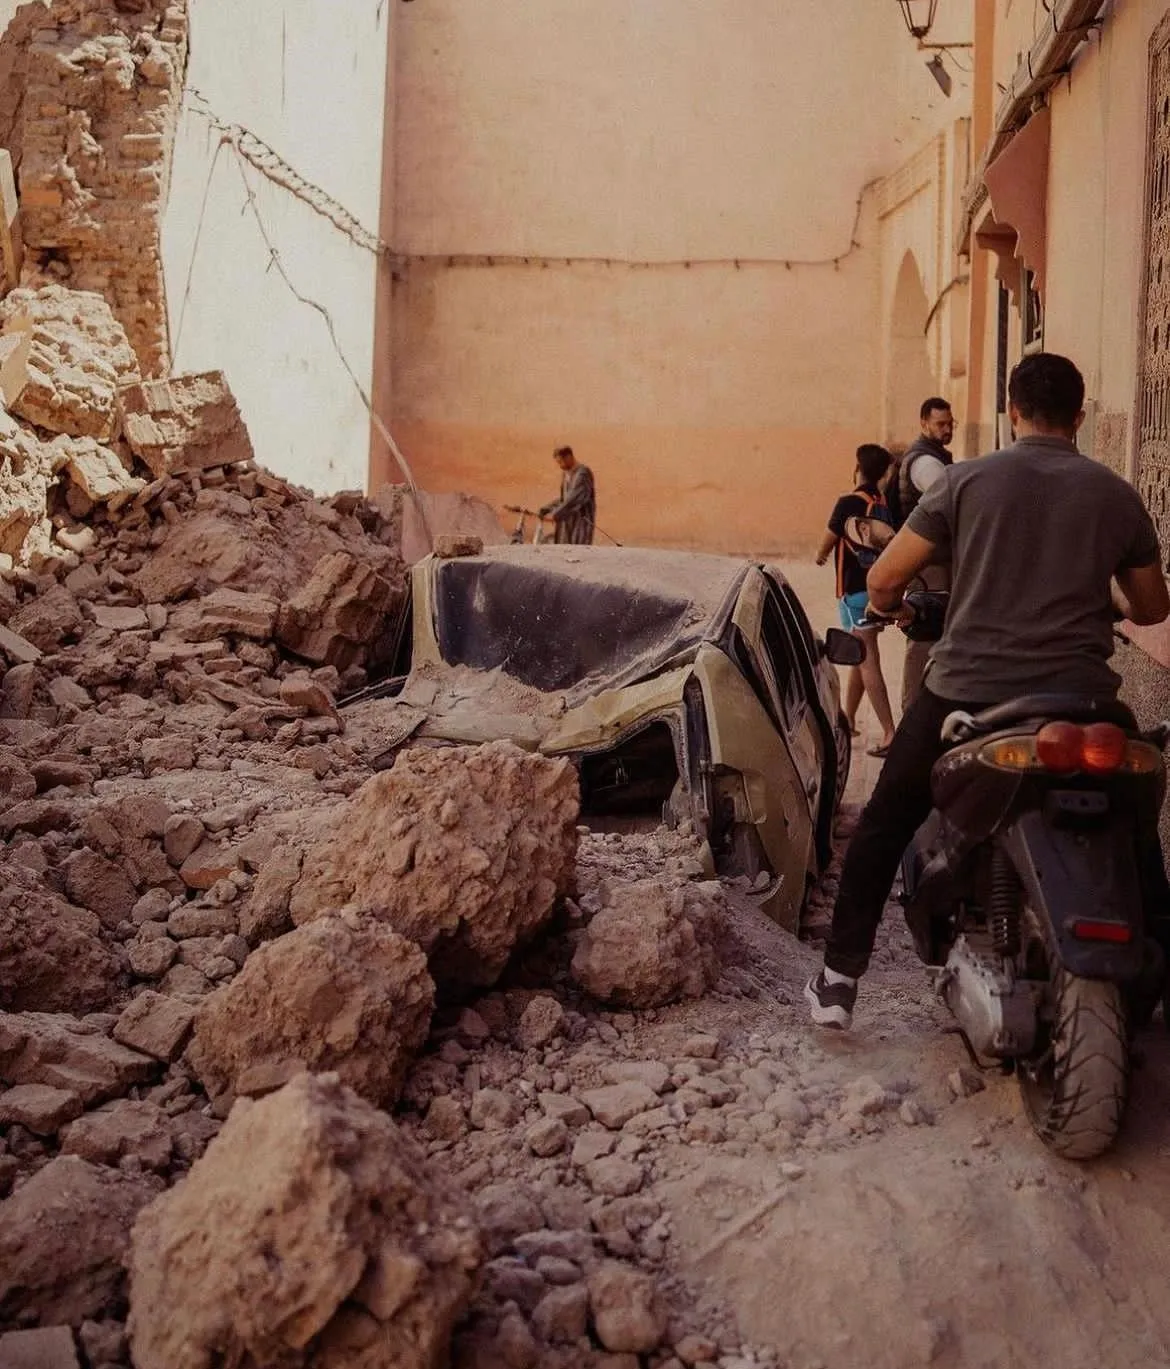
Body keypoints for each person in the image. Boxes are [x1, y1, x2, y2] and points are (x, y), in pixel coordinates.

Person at [806, 352, 1170, 1030]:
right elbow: (1151, 607)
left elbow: (882, 578)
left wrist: (890, 607)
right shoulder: (1116, 493)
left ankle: (838, 980)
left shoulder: (965, 481)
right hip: (1085, 698)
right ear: (1079, 418)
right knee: (1136, 830)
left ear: (1011, 411)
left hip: (968, 693)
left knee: (884, 822)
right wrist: (1108, 599)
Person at [815, 444, 897, 756]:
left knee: (867, 659)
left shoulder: (848, 502)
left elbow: (828, 539)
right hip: (876, 590)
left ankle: (889, 732)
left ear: (858, 470)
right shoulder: (882, 504)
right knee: (859, 653)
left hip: (854, 592)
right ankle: (847, 719)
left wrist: (820, 555)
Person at [894, 397, 955, 710]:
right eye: (940, 424)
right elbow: (951, 504)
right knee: (923, 634)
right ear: (924, 423)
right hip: (928, 564)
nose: (947, 429)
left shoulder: (934, 457)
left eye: (950, 423)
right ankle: (912, 713)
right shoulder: (926, 463)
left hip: (932, 561)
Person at [539, 446, 596, 544]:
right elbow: (564, 499)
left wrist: (555, 514)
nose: (560, 466)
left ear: (569, 457)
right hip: (567, 521)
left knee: (578, 549)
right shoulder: (566, 474)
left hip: (580, 523)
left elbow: (575, 499)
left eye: (560, 462)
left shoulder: (583, 473)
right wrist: (547, 508)